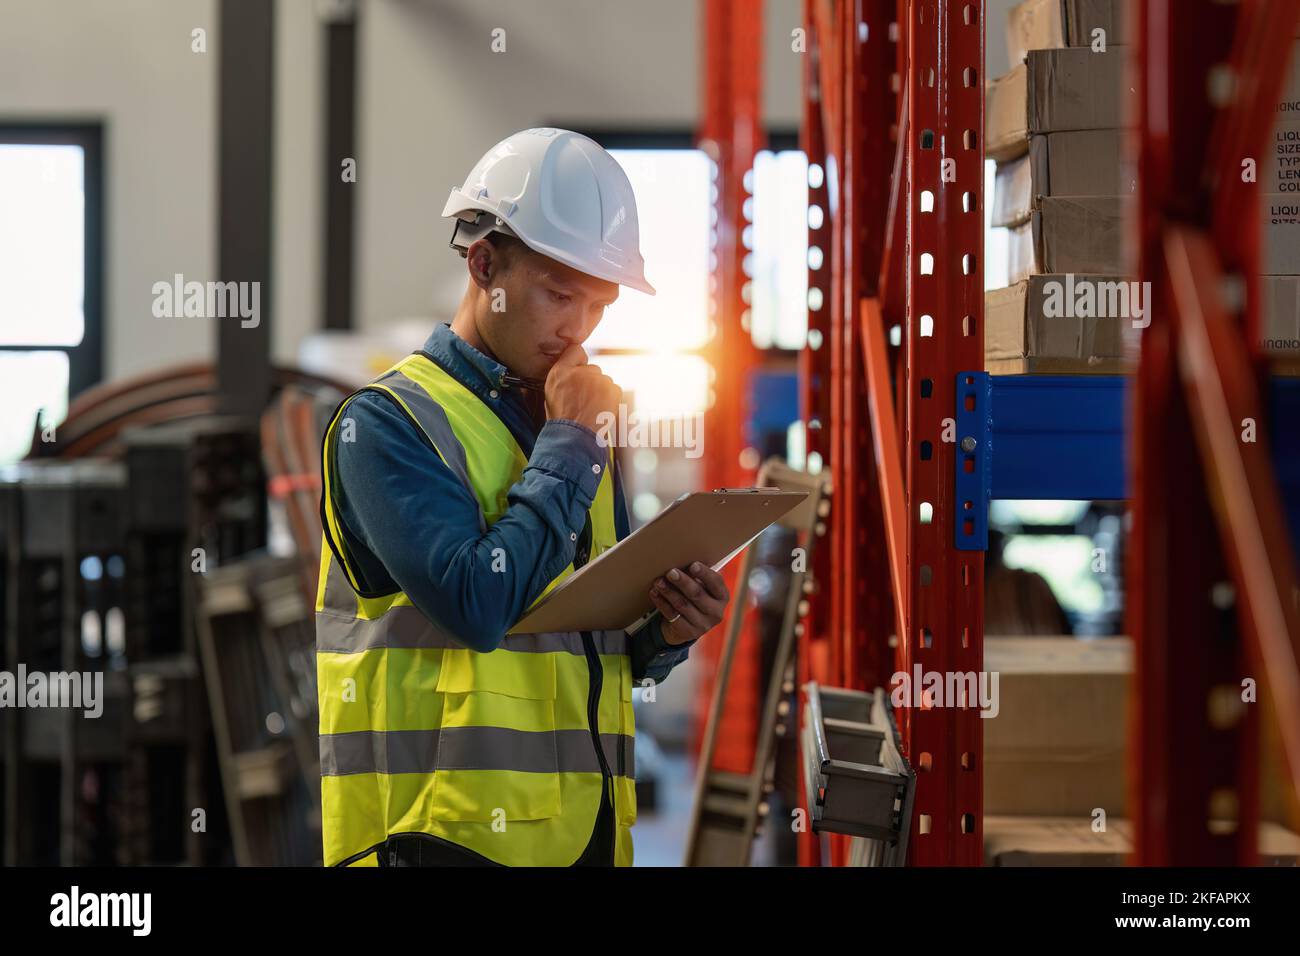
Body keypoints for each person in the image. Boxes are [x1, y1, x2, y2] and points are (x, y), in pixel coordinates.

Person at [315, 128, 731, 867]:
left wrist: (666, 632)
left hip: (582, 835)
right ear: (483, 264)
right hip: (436, 839)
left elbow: (585, 640)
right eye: (559, 295)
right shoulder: (386, 424)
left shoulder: (575, 421)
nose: (578, 328)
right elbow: (479, 605)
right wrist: (572, 435)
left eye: (599, 306)